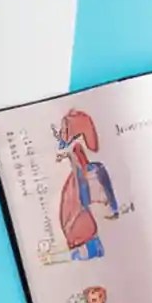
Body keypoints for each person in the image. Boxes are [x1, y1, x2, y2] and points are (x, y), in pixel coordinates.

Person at [54, 110, 119, 260]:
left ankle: (87, 245)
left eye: (65, 129)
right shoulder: (75, 146)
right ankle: (87, 245)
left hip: (83, 180)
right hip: (80, 181)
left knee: (74, 211)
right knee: (72, 209)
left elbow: (82, 160)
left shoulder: (79, 146)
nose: (62, 133)